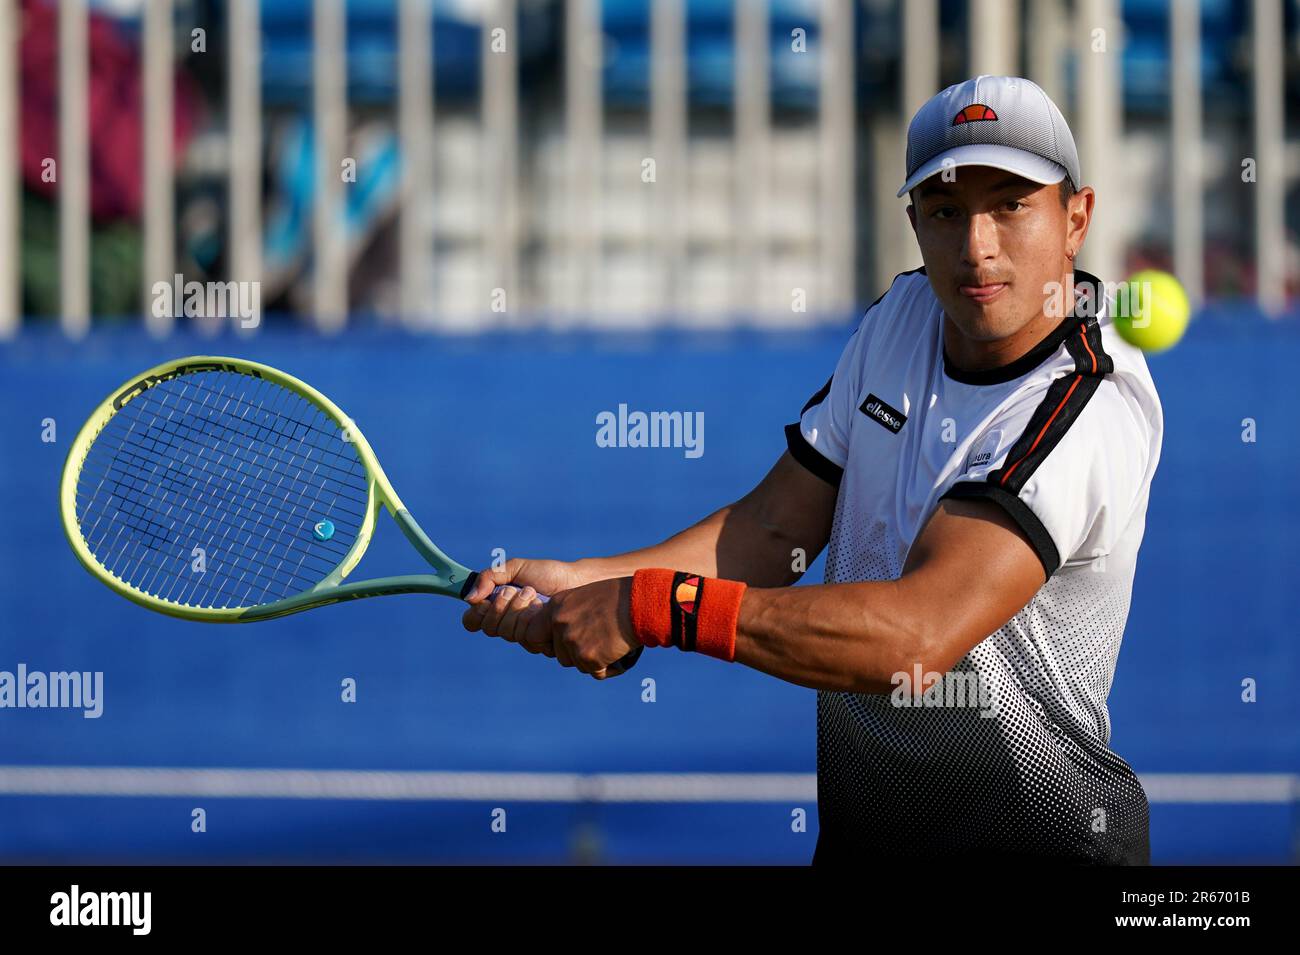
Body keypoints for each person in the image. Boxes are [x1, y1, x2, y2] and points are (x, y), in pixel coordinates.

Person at [463, 76, 1162, 864]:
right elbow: (773, 528)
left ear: (1076, 219)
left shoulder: (1088, 402)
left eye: (1010, 204)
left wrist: (655, 605)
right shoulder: (902, 318)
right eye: (945, 211)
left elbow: (913, 642)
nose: (978, 247)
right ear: (914, 224)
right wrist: (586, 580)